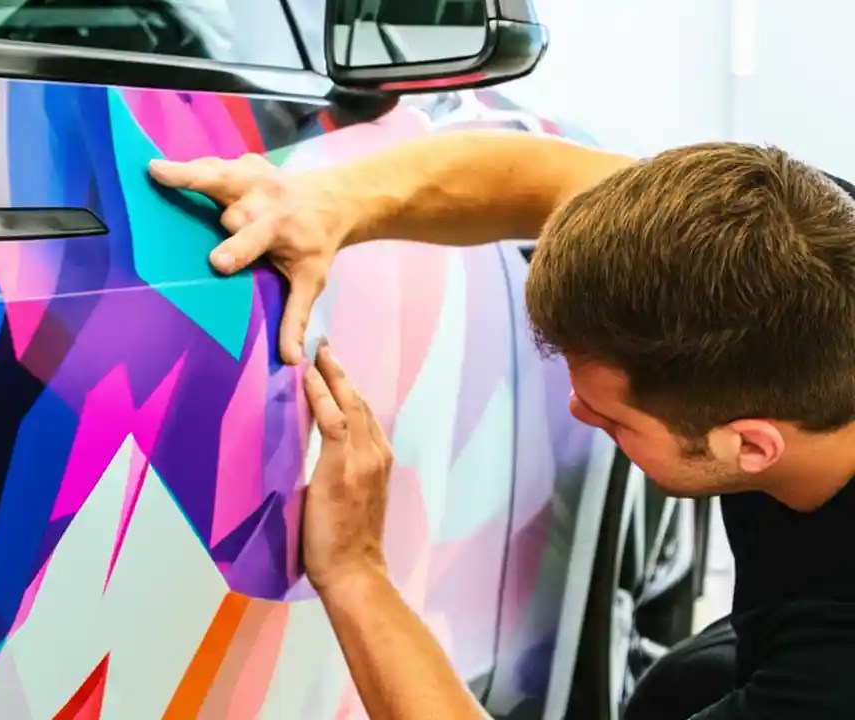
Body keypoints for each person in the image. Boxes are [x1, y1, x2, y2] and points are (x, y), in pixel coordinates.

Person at [148, 132, 855, 719]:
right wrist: (333, 201)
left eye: (614, 420)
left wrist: (357, 571)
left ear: (752, 444)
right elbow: (544, 177)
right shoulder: (802, 248)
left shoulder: (829, 677)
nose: (578, 412)